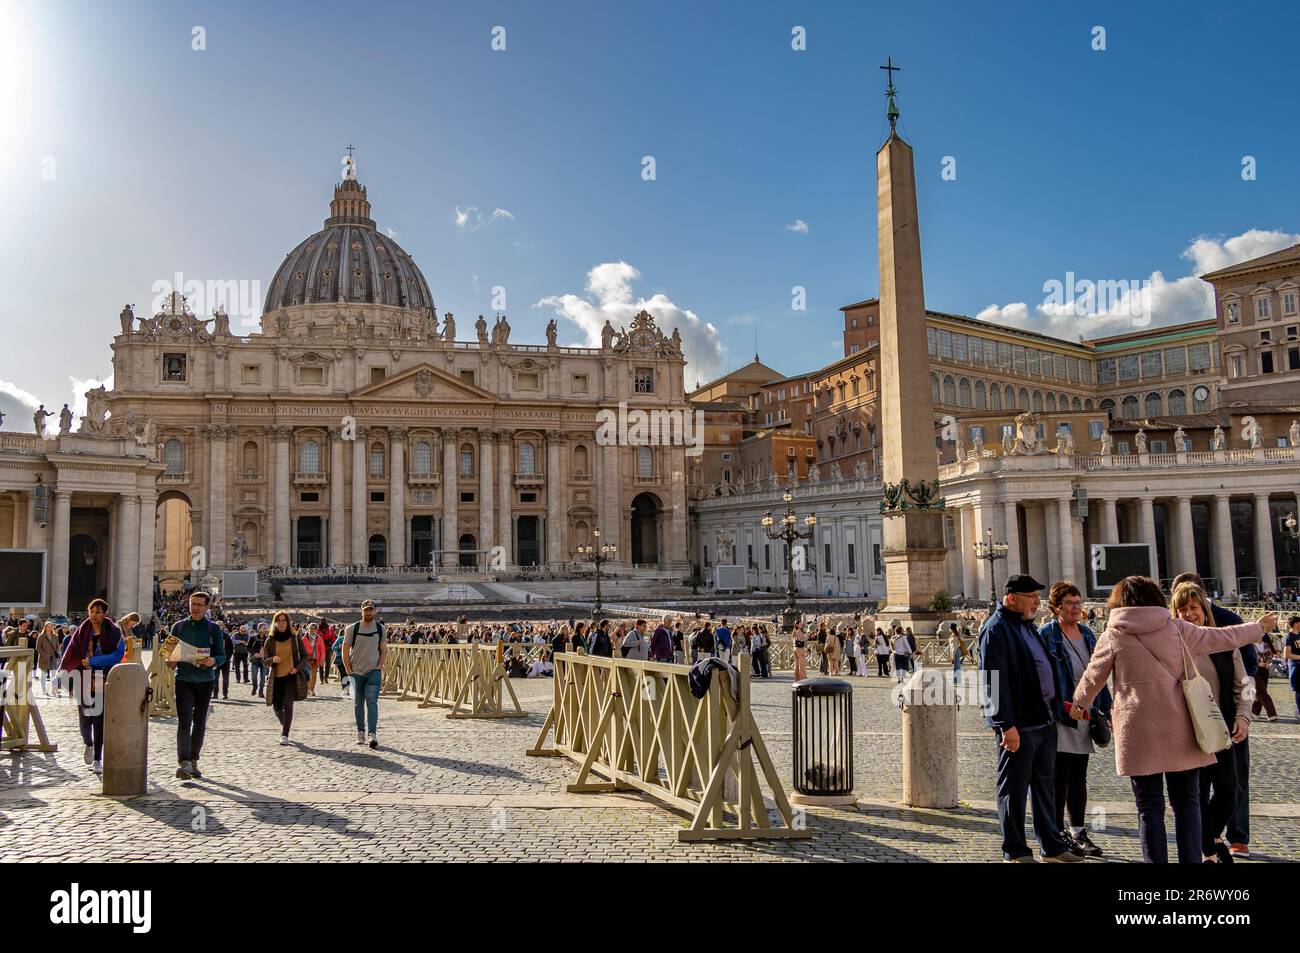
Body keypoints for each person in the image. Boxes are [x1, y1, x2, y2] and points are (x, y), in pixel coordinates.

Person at [1070, 576, 1273, 864]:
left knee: (1149, 807)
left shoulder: (1113, 634)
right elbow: (1224, 637)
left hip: (1137, 731)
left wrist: (1078, 705)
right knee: (1187, 804)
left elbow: (1092, 677)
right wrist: (1257, 628)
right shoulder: (1177, 629)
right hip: (1182, 728)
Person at [977, 574, 1081, 863]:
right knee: (1014, 788)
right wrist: (1004, 724)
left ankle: (1052, 846)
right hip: (1019, 725)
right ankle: (1016, 850)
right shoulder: (995, 630)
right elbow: (992, 682)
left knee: (1045, 788)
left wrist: (1061, 705)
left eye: (1038, 595)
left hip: (1044, 721)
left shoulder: (1027, 627)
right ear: (1012, 599)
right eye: (1031, 596)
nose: (1038, 601)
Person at [1171, 570, 1257, 859]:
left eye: (1193, 608)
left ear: (1204, 611)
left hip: (1221, 732)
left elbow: (1245, 684)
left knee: (1228, 792)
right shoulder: (1171, 646)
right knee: (1195, 794)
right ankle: (1208, 848)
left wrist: (1243, 717)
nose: (1188, 614)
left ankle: (1209, 838)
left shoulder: (1223, 641)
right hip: (1186, 733)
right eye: (1182, 609)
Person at [1040, 581, 1110, 858]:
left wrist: (1104, 707)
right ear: (1056, 607)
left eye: (1079, 603)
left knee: (1079, 776)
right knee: (1059, 777)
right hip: (1060, 714)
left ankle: (1079, 831)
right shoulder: (1047, 634)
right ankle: (1057, 834)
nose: (1076, 608)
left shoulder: (1087, 634)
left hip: (1086, 713)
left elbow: (1100, 672)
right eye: (1069, 603)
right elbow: (1043, 676)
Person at [57, 599, 123, 775]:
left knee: (99, 719)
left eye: (98, 611)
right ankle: (88, 743)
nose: (94, 614)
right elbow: (70, 654)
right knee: (85, 717)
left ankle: (97, 759)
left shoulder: (114, 632)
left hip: (103, 677)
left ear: (104, 614)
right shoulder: (80, 632)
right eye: (92, 611)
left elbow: (118, 656)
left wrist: (94, 661)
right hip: (83, 678)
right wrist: (62, 674)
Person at [167, 590, 225, 780]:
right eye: (193, 604)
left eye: (200, 605)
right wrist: (171, 661)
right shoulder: (178, 627)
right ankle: (183, 762)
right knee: (184, 721)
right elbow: (168, 655)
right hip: (183, 680)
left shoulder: (213, 629)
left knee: (199, 722)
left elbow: (222, 656)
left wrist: (213, 661)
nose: (196, 608)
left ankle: (193, 760)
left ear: (207, 607)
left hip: (205, 681)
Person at [342, 599, 387, 748]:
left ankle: (372, 734)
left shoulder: (381, 629)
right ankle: (360, 731)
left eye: (371, 609)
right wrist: (348, 670)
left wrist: (379, 666)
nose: (368, 612)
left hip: (373, 671)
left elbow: (383, 649)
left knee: (372, 702)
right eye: (366, 610)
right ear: (361, 611)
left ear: (375, 611)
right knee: (358, 704)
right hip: (356, 672)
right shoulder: (351, 629)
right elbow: (345, 650)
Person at [263, 610, 305, 745]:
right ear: (275, 623)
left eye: (283, 620)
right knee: (276, 706)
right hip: (276, 677)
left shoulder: (295, 637)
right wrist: (272, 659)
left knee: (288, 705)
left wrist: (297, 668)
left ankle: (285, 734)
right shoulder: (270, 640)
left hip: (291, 676)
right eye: (278, 620)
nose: (281, 623)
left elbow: (305, 656)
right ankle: (285, 724)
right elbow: (265, 660)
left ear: (288, 622)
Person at [1252, 631, 1278, 721]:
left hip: (1264, 670)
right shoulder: (1250, 645)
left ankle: (1255, 712)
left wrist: (1268, 663)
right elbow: (1248, 658)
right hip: (1254, 670)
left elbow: (1270, 656)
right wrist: (1259, 663)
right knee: (1263, 692)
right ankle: (1272, 714)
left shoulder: (1265, 644)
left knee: (1260, 692)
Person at [35, 621, 61, 696]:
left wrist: (57, 655)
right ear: (45, 627)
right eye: (48, 626)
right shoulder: (41, 636)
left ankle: (54, 691)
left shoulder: (55, 636)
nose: (50, 628)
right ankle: (44, 690)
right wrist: (44, 655)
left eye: (51, 626)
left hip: (53, 658)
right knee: (43, 675)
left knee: (54, 675)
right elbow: (38, 648)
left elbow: (57, 647)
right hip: (44, 658)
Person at [1285, 616, 1300, 720]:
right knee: (1299, 691)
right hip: (1296, 667)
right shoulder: (1290, 637)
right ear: (1295, 624)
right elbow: (1287, 654)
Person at [248, 622, 267, 697]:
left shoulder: (268, 638)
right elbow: (248, 647)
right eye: (263, 628)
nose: (265, 629)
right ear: (259, 629)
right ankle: (255, 686)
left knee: (263, 676)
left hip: (264, 660)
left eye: (266, 628)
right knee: (254, 676)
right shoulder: (253, 637)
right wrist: (254, 653)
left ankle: (261, 691)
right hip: (255, 659)